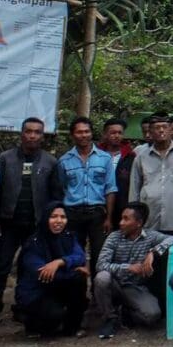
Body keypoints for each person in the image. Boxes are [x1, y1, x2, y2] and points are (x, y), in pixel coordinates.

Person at [0, 116, 62, 333]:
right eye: (28, 131)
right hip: (8, 224)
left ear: (43, 136)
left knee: (29, 268)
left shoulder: (50, 162)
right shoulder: (5, 159)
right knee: (1, 267)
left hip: (36, 226)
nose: (32, 135)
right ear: (21, 133)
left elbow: (56, 196)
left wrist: (51, 223)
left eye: (37, 132)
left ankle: (23, 307)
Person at [94, 202, 173, 339]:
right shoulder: (114, 237)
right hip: (114, 284)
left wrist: (153, 253)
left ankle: (127, 311)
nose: (121, 222)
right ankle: (109, 318)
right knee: (102, 277)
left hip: (135, 287)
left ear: (139, 223)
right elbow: (101, 265)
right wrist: (128, 267)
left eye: (126, 219)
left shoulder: (150, 237)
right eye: (121, 218)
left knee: (152, 315)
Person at [13, 203, 89, 337]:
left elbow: (80, 256)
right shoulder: (34, 243)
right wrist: (74, 270)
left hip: (57, 286)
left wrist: (60, 262)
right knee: (52, 318)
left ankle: (71, 328)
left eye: (63, 217)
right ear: (45, 218)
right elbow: (44, 274)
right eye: (53, 217)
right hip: (36, 292)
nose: (59, 221)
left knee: (79, 281)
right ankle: (29, 321)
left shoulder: (68, 236)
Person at [57, 116, 117, 278]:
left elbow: (110, 189)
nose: (83, 135)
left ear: (91, 133)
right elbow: (63, 187)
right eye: (79, 132)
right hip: (72, 214)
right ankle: (77, 297)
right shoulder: (64, 161)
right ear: (73, 135)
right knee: (74, 253)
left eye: (87, 131)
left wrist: (109, 218)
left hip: (97, 213)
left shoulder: (105, 159)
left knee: (99, 254)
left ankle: (97, 296)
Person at [130, 114, 173, 234]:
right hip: (148, 218)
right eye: (157, 127)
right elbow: (134, 188)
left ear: (170, 129)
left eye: (165, 127)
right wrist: (134, 215)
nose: (161, 130)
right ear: (149, 132)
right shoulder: (141, 157)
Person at [99, 117, 136, 228]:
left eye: (120, 133)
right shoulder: (96, 154)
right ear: (105, 134)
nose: (117, 136)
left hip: (122, 207)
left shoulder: (130, 156)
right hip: (99, 206)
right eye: (113, 133)